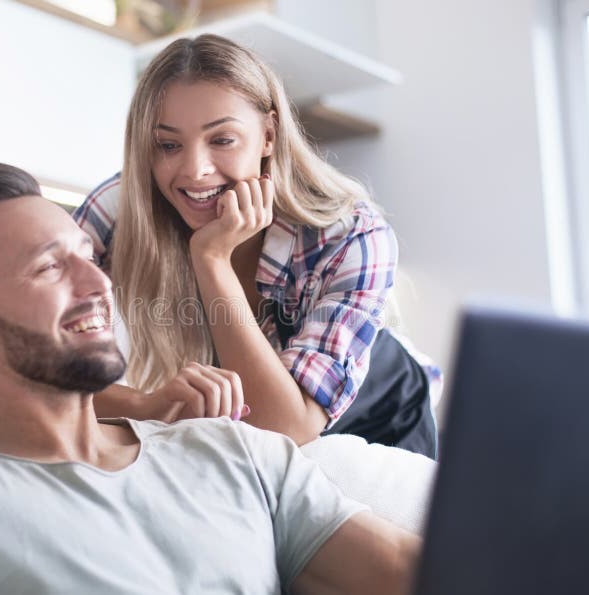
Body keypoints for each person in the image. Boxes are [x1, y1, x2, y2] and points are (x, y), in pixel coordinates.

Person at [0, 163, 419, 594]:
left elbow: (417, 570)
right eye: (50, 267)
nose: (98, 284)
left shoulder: (233, 449)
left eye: (87, 257)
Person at [75, 34, 439, 455]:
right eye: (168, 145)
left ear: (268, 134)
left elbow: (286, 426)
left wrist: (211, 259)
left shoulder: (350, 234)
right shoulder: (122, 209)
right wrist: (146, 405)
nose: (195, 171)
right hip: (258, 414)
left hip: (384, 414)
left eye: (222, 139)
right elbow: (29, 363)